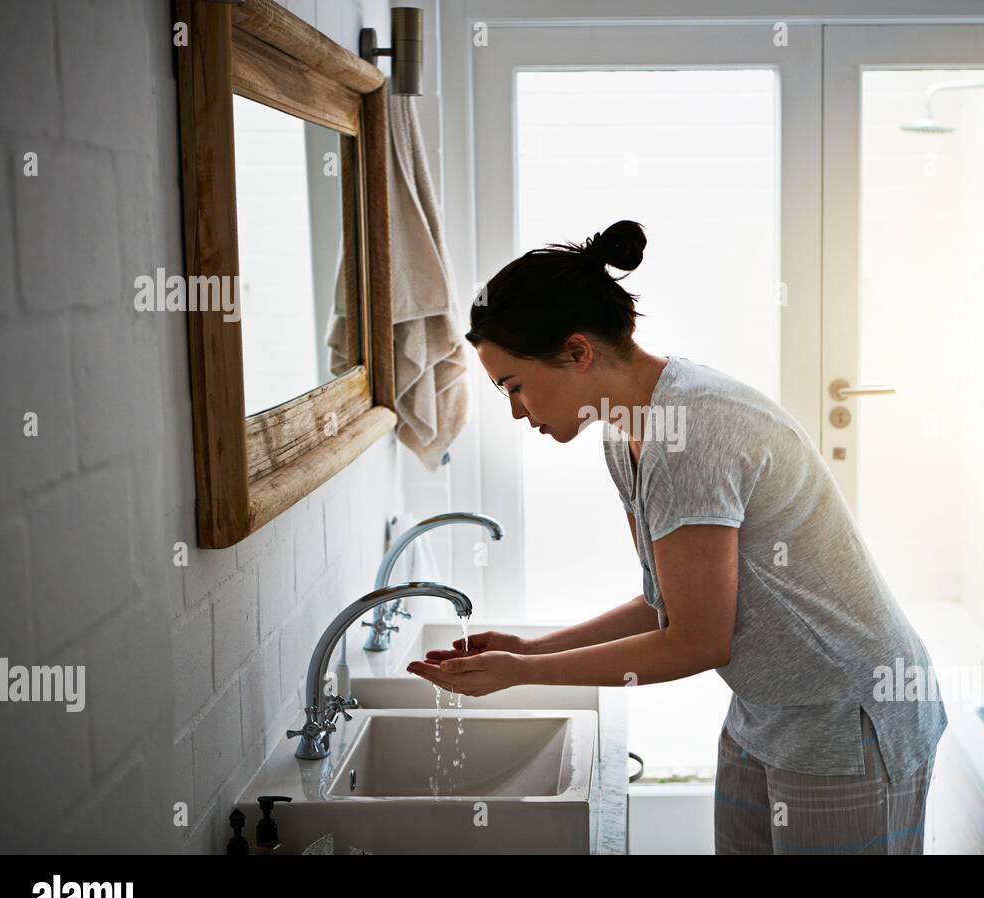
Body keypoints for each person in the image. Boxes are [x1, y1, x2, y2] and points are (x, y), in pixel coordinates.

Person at [406, 219, 948, 854]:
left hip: (844, 712)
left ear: (579, 351)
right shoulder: (623, 435)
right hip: (766, 707)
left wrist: (523, 671)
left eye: (514, 385)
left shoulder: (688, 430)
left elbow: (695, 642)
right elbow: (664, 606)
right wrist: (531, 648)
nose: (516, 411)